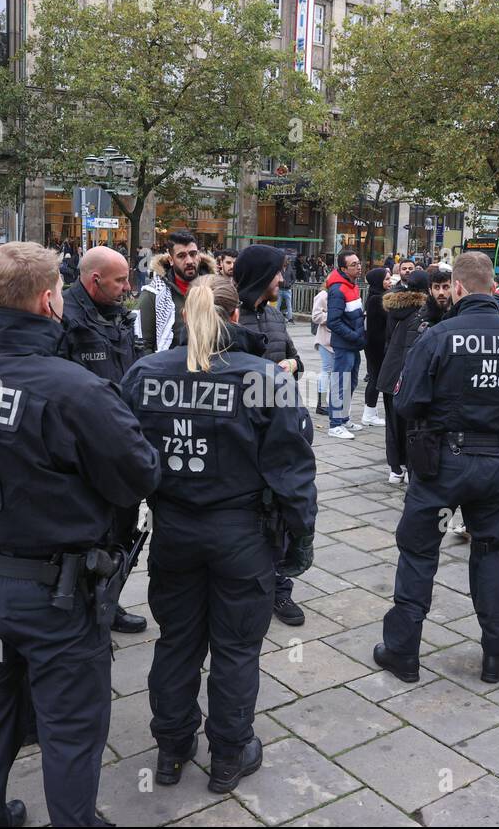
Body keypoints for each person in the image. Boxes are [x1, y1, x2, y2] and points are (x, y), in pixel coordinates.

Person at [0, 241, 159, 826]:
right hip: (56, 592)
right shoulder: (74, 389)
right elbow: (137, 474)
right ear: (51, 299)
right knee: (71, 721)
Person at [121, 274, 317, 793]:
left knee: (178, 642)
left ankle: (172, 747)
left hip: (175, 530)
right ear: (236, 317)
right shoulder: (262, 377)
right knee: (235, 648)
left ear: (185, 316)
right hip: (241, 535)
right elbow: (293, 470)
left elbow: (121, 457)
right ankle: (228, 754)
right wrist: (300, 540)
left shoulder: (145, 373)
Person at [375, 252, 499, 685]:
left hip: (442, 464)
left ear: (457, 288)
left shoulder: (437, 336)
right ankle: (496, 651)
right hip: (497, 462)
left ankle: (403, 652)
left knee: (419, 550)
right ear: (492, 286)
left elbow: (407, 400)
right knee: (490, 552)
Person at [58, 244, 152, 634]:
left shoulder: (120, 316)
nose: (128, 287)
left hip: (120, 438)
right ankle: (80, 608)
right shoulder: (65, 316)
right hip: (82, 448)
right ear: (94, 280)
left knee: (123, 531)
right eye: (119, 280)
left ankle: (107, 605)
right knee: (88, 535)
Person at [233, 244, 310, 627]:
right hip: (245, 436)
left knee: (282, 511)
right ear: (261, 276)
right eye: (277, 273)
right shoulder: (229, 316)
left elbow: (295, 357)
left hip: (281, 430)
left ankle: (280, 589)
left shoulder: (277, 314)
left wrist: (291, 364)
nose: (282, 279)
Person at [378, 267, 449, 483]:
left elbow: (389, 338)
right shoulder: (424, 313)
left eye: (445, 287)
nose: (441, 292)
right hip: (406, 375)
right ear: (428, 289)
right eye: (436, 287)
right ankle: (408, 467)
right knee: (412, 425)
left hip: (391, 371)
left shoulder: (395, 307)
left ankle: (395, 468)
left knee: (394, 425)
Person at [138, 230, 215, 352]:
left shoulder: (215, 289)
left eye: (193, 254)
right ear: (171, 259)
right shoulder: (153, 294)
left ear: (199, 256)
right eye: (181, 256)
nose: (189, 261)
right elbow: (143, 346)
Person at [326, 248, 367, 439]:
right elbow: (333, 321)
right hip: (345, 344)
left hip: (353, 343)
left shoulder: (352, 285)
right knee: (341, 383)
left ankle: (343, 419)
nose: (358, 267)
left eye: (359, 263)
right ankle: (335, 424)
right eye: (354, 264)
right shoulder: (338, 289)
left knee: (350, 382)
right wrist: (355, 336)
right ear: (343, 268)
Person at [360, 265, 390, 428]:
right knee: (375, 378)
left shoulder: (378, 295)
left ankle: (371, 412)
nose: (389, 281)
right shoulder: (376, 299)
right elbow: (375, 329)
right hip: (376, 346)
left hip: (377, 345)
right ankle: (369, 414)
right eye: (386, 278)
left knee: (376, 377)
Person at [311, 286, 333, 416]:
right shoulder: (324, 295)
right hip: (326, 338)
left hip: (335, 339)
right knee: (327, 370)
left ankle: (325, 403)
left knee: (330, 371)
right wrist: (334, 314)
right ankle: (322, 404)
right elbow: (316, 316)